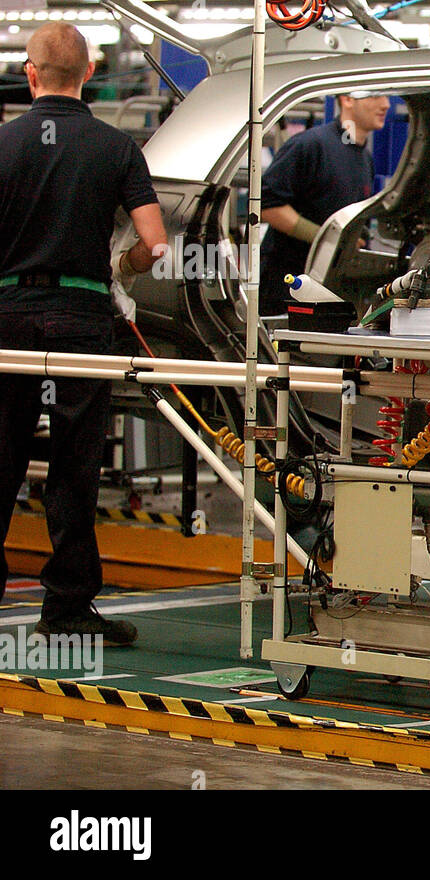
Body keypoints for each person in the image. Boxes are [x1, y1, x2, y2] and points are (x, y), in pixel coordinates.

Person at [0, 23, 165, 645]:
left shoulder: (3, 144)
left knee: (1, 457)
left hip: (8, 318)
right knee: (74, 465)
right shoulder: (117, 147)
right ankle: (66, 608)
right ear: (90, 73)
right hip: (82, 317)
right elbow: (155, 243)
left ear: (30, 72)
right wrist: (122, 268)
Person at [258, 91, 390, 315]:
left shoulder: (364, 158)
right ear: (347, 99)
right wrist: (326, 239)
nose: (385, 104)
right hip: (289, 288)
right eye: (374, 96)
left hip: (332, 289)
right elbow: (266, 205)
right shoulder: (310, 145)